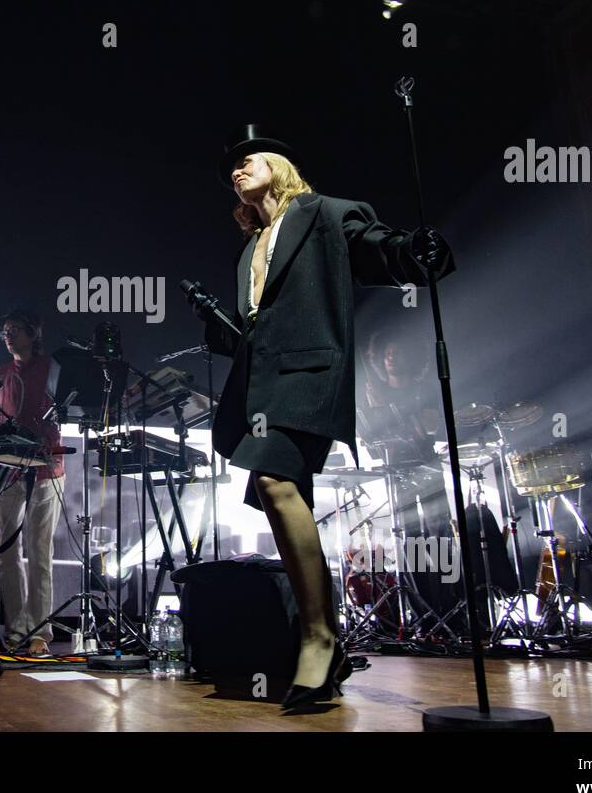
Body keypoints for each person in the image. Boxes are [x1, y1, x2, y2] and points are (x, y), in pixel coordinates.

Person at [193, 125, 453, 709]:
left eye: (248, 159)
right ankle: (321, 639)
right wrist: (226, 334)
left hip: (310, 378)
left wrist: (413, 254)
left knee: (273, 481)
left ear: (281, 163)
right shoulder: (248, 250)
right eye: (230, 168)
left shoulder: (326, 214)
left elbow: (375, 246)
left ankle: (319, 636)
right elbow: (260, 328)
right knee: (282, 495)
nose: (237, 170)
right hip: (262, 388)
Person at [0, 308, 65, 656]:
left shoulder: (53, 369)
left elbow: (67, 409)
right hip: (9, 473)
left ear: (33, 334)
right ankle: (15, 630)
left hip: (47, 471)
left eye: (16, 329)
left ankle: (39, 633)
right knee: (6, 554)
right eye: (5, 330)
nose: (9, 335)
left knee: (39, 553)